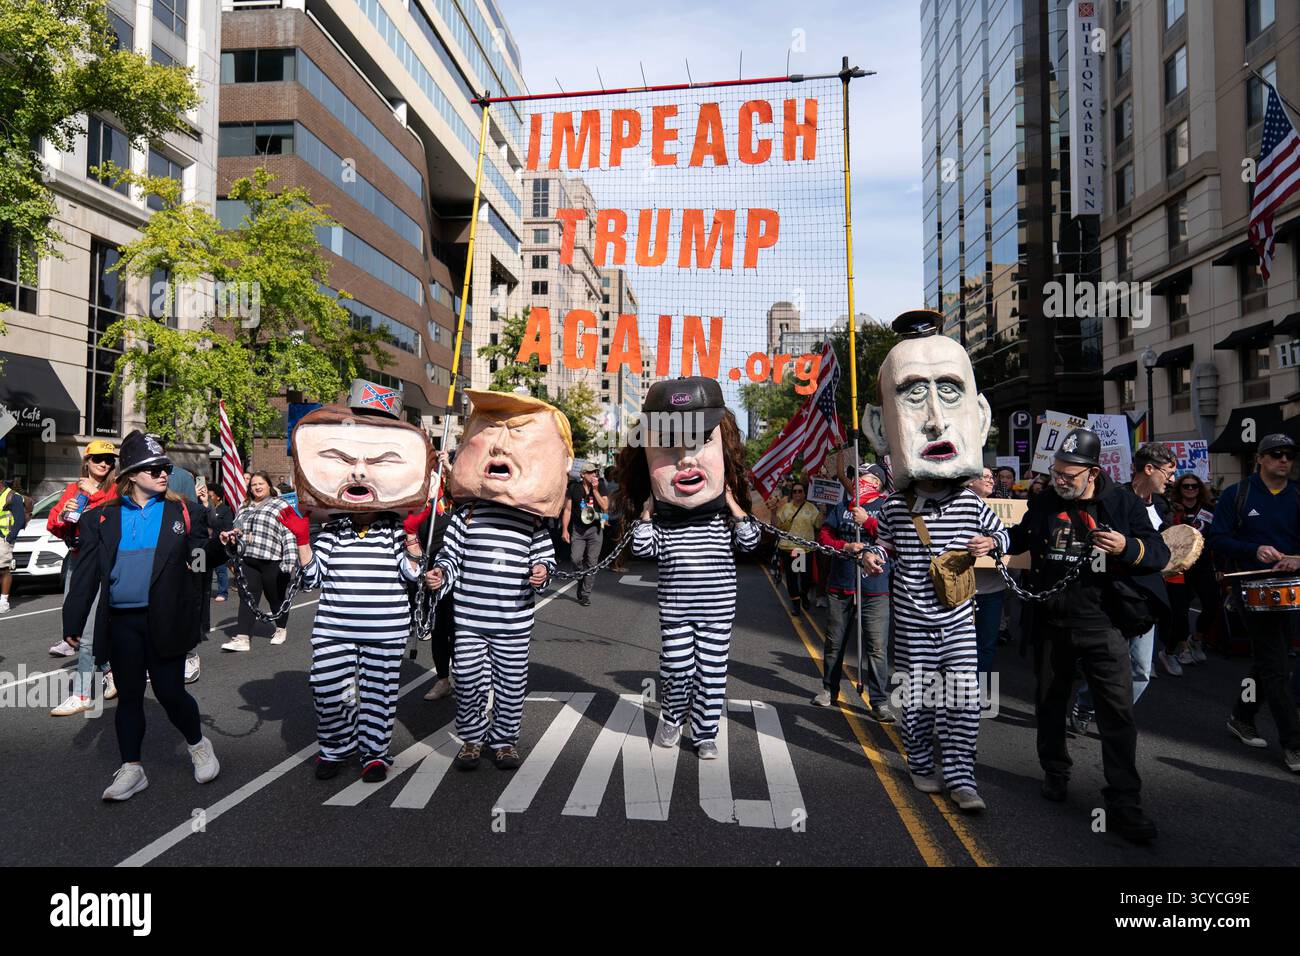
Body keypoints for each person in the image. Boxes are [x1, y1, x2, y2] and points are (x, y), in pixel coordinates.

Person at [862, 310, 1008, 813]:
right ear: (879, 427)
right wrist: (873, 556)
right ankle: (922, 762)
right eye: (912, 395)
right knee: (918, 699)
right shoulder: (892, 508)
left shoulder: (971, 503)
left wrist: (992, 547)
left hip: (957, 620)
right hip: (912, 623)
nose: (935, 420)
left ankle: (963, 775)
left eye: (950, 392)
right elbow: (885, 547)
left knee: (965, 700)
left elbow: (1001, 534)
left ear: (980, 417)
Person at [1004, 428, 1169, 842]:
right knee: (1049, 702)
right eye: (1057, 471)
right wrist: (995, 539)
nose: (1060, 479)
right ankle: (1055, 771)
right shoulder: (1044, 501)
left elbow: (1160, 552)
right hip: (1052, 620)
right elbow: (1022, 535)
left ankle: (1124, 802)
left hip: (1102, 624)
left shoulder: (1122, 502)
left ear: (1093, 472)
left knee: (1117, 714)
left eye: (1069, 474)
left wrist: (1126, 547)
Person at [62, 431, 223, 801]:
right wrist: (72, 622)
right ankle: (132, 768)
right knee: (130, 695)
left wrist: (219, 547)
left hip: (165, 617)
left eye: (165, 467)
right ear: (132, 475)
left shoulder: (183, 510)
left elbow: (195, 561)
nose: (163, 473)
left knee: (169, 692)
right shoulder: (101, 518)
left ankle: (198, 744)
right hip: (121, 622)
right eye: (153, 468)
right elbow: (86, 574)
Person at [620, 377, 760, 760]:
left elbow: (749, 543)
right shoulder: (664, 523)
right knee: (678, 668)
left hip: (718, 609)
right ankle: (672, 716)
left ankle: (705, 733)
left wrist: (733, 505)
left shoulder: (720, 522)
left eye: (700, 443)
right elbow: (643, 548)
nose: (686, 458)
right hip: (676, 609)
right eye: (668, 447)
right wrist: (647, 514)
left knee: (712, 674)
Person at [431, 389, 570, 771]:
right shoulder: (467, 515)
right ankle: (472, 739)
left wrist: (541, 571)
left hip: (514, 622)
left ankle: (505, 740)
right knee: (470, 683)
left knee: (511, 687)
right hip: (471, 623)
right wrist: (441, 575)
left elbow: (545, 557)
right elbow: (451, 557)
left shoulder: (531, 522)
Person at [1206, 433, 1300, 773]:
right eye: (1276, 454)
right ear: (1259, 458)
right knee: (1277, 666)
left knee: (1267, 661)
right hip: (1251, 589)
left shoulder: (1297, 497)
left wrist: (1295, 558)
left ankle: (1241, 716)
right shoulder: (1237, 494)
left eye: (1289, 454)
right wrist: (1253, 551)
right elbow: (1216, 539)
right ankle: (1294, 744)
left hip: (1291, 589)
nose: (1284, 460)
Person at [815, 462, 895, 720]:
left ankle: (880, 702)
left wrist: (868, 521)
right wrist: (846, 546)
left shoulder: (886, 508)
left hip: (875, 588)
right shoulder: (841, 508)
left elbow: (894, 538)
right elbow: (824, 538)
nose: (859, 481)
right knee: (834, 642)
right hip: (841, 585)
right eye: (858, 477)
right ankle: (829, 689)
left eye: (866, 478)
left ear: (878, 483)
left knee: (877, 647)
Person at [46, 441, 120, 714]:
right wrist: (64, 516)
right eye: (99, 458)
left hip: (102, 565)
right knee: (73, 624)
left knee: (88, 631)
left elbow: (117, 516)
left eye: (109, 460)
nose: (104, 464)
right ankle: (110, 668)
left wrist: (96, 495)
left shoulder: (116, 489)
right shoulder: (72, 489)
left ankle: (81, 694)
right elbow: (53, 524)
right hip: (76, 563)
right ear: (87, 461)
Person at [222, 471, 295, 651]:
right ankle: (242, 638)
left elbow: (289, 532)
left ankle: (280, 628)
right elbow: (237, 527)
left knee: (275, 598)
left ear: (269, 485)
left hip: (273, 559)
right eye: (254, 484)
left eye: (261, 483)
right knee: (247, 598)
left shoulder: (281, 505)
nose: (257, 487)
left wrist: (289, 559)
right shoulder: (244, 505)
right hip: (248, 559)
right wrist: (231, 535)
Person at [1167, 472, 1217, 664]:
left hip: (1203, 564)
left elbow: (1217, 536)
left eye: (1194, 486)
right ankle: (1181, 648)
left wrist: (1219, 566)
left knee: (1212, 604)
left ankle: (1197, 638)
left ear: (1199, 489)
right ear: (1179, 488)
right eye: (1185, 486)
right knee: (1180, 610)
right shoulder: (1172, 509)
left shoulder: (1209, 509)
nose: (1190, 489)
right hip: (1179, 566)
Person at [968, 466, 1008, 675]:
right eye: (984, 477)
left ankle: (979, 692)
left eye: (991, 477)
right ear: (969, 481)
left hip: (992, 588)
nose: (990, 480)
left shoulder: (1004, 506)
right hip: (962, 589)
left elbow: (1007, 538)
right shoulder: (958, 507)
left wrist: (993, 542)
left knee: (986, 645)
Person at [770, 481, 822, 617]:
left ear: (804, 493)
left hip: (805, 549)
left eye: (800, 491)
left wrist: (823, 511)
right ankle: (796, 604)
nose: (797, 494)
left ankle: (803, 594)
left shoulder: (811, 508)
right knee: (792, 578)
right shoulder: (785, 508)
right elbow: (776, 526)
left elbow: (818, 525)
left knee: (806, 578)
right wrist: (773, 512)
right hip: (789, 548)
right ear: (792, 493)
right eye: (795, 491)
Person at [562, 462, 609, 607]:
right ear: (582, 474)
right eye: (590, 472)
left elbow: (606, 507)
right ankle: (580, 577)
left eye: (595, 472)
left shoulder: (600, 485)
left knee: (592, 563)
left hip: (595, 530)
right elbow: (568, 510)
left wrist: (595, 491)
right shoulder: (574, 488)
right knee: (575, 559)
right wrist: (564, 529)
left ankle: (585, 594)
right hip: (578, 530)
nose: (594, 474)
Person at [0, 476, 27, 615]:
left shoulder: (12, 497)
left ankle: (4, 602)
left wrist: (9, 538)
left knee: (3, 569)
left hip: (3, 538)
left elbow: (20, 520)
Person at [204, 488, 234, 604]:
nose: (209, 498)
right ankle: (203, 591)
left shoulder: (225, 510)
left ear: (218, 497)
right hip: (204, 544)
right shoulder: (202, 507)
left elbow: (228, 526)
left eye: (211, 496)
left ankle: (223, 593)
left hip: (218, 544)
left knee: (220, 570)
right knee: (201, 570)